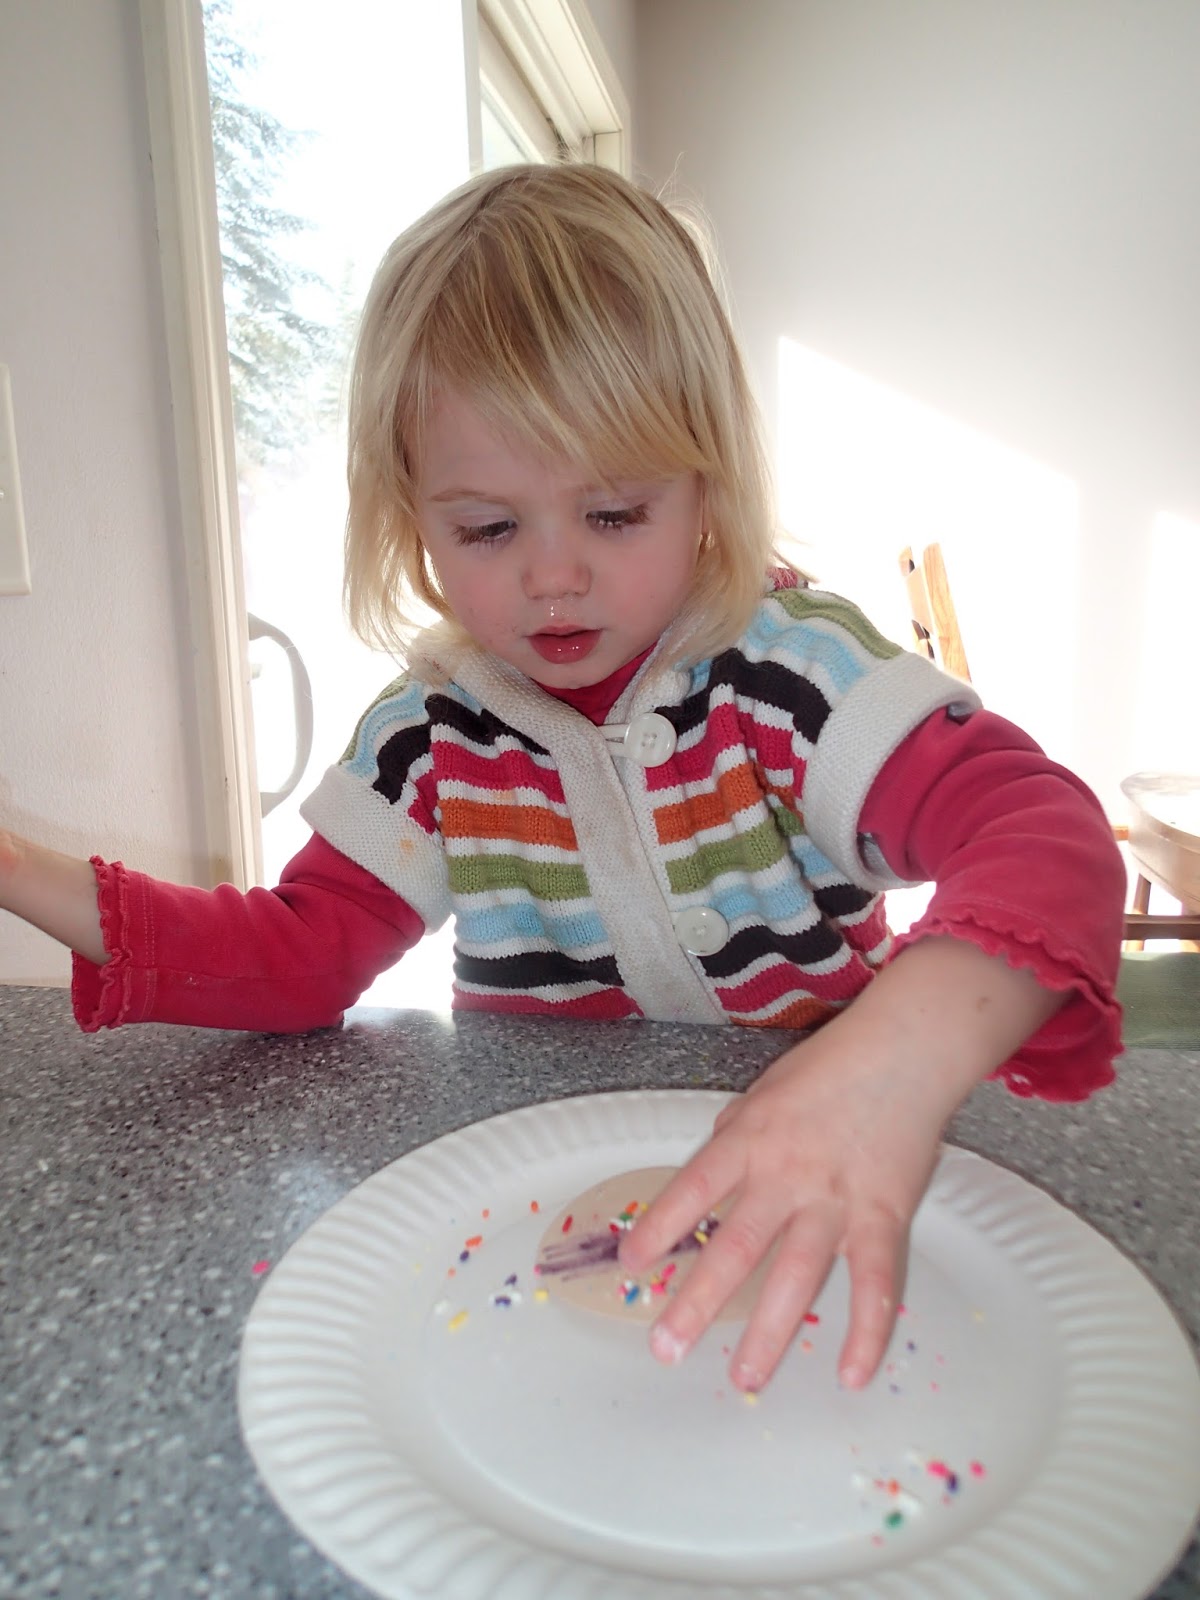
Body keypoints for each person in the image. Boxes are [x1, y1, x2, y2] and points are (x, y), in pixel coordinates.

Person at [0, 163, 1125, 1395]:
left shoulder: (792, 675)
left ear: (708, 487)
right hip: (540, 1230)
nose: (553, 580)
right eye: (488, 529)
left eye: (614, 513)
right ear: (408, 518)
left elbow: (1045, 836)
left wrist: (892, 1067)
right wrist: (18, 868)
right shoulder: (432, 738)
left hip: (830, 1185)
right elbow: (295, 954)